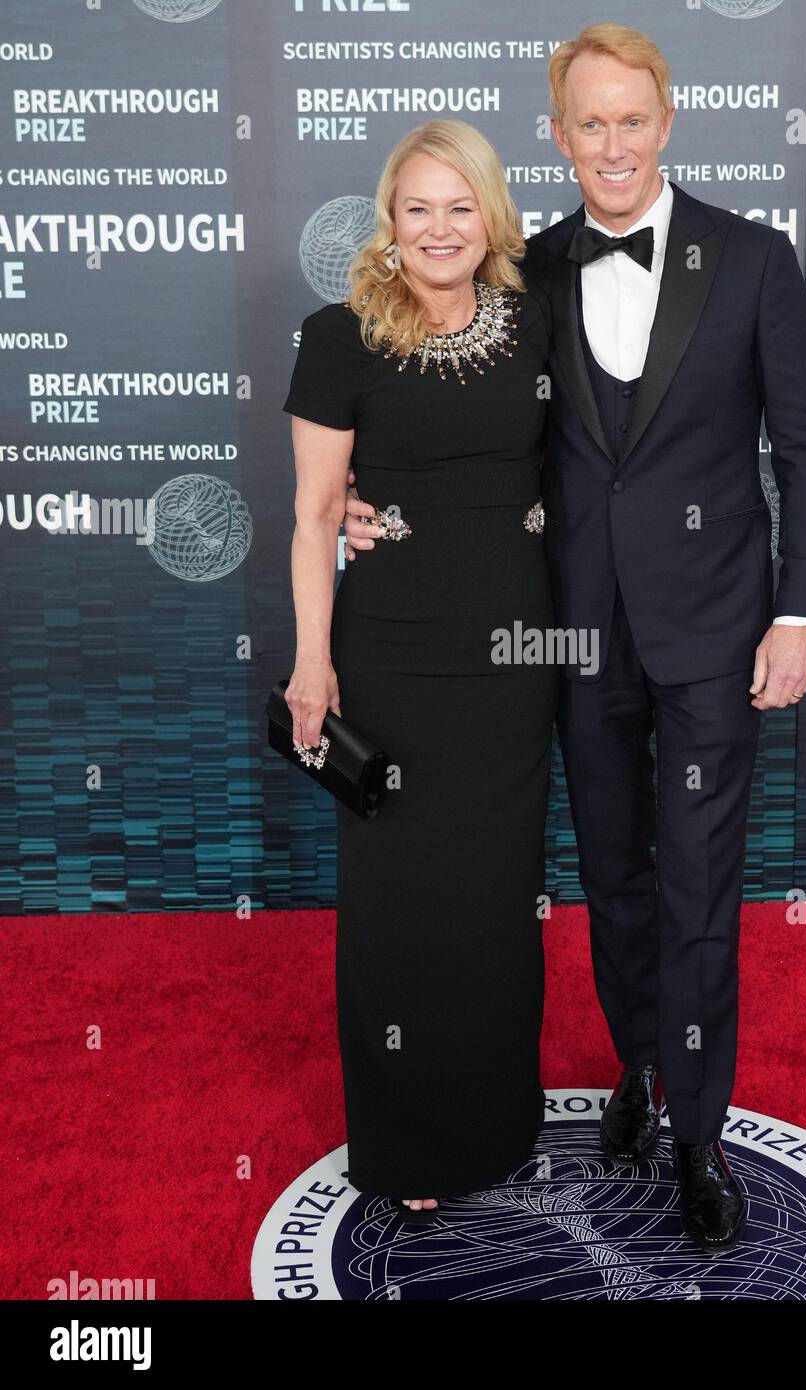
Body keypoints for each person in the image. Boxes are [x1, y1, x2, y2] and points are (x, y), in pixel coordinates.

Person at [344, 23, 806, 1254]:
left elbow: (805, 449)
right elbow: (439, 405)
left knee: (696, 882)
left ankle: (699, 1132)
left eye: (632, 120)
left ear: (663, 122)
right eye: (588, 123)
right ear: (557, 134)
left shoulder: (752, 259)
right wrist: (357, 506)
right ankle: (637, 1064)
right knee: (612, 877)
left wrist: (800, 610)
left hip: (718, 633)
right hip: (567, 639)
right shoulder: (529, 272)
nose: (611, 144)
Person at [282, 118, 557, 1221]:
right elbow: (311, 515)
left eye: (460, 206)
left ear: (489, 217)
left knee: (494, 896)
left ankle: (494, 1118)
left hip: (517, 653)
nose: (439, 228)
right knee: (400, 900)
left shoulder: (540, 319)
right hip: (392, 653)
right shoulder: (338, 335)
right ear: (387, 222)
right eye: (416, 207)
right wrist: (312, 665)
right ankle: (407, 1144)